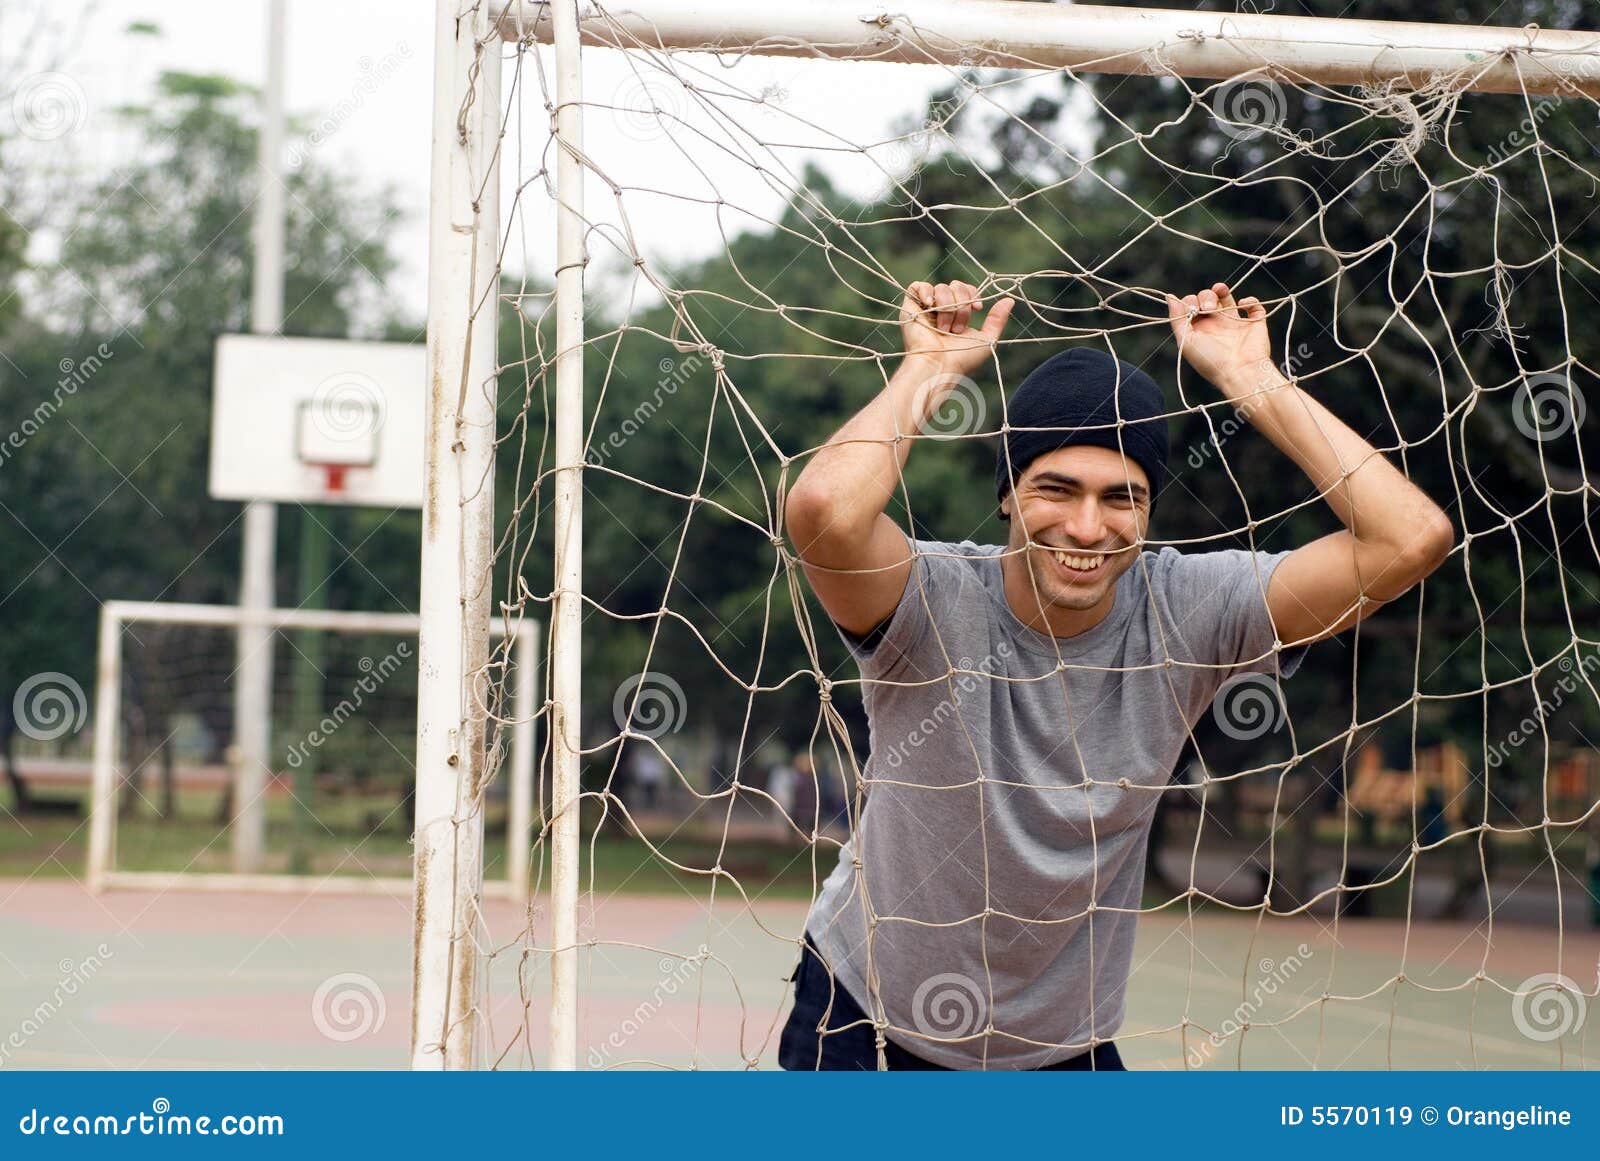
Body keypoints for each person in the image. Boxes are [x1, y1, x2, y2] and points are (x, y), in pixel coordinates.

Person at [778, 278, 1454, 1070]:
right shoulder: (925, 597)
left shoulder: (1189, 609)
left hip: (1060, 1046)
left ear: (1151, 509)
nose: (1088, 526)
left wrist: (1246, 377)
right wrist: (931, 370)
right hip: (864, 1022)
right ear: (1008, 497)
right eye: (1056, 489)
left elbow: (1412, 538)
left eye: (1121, 497)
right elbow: (822, 508)